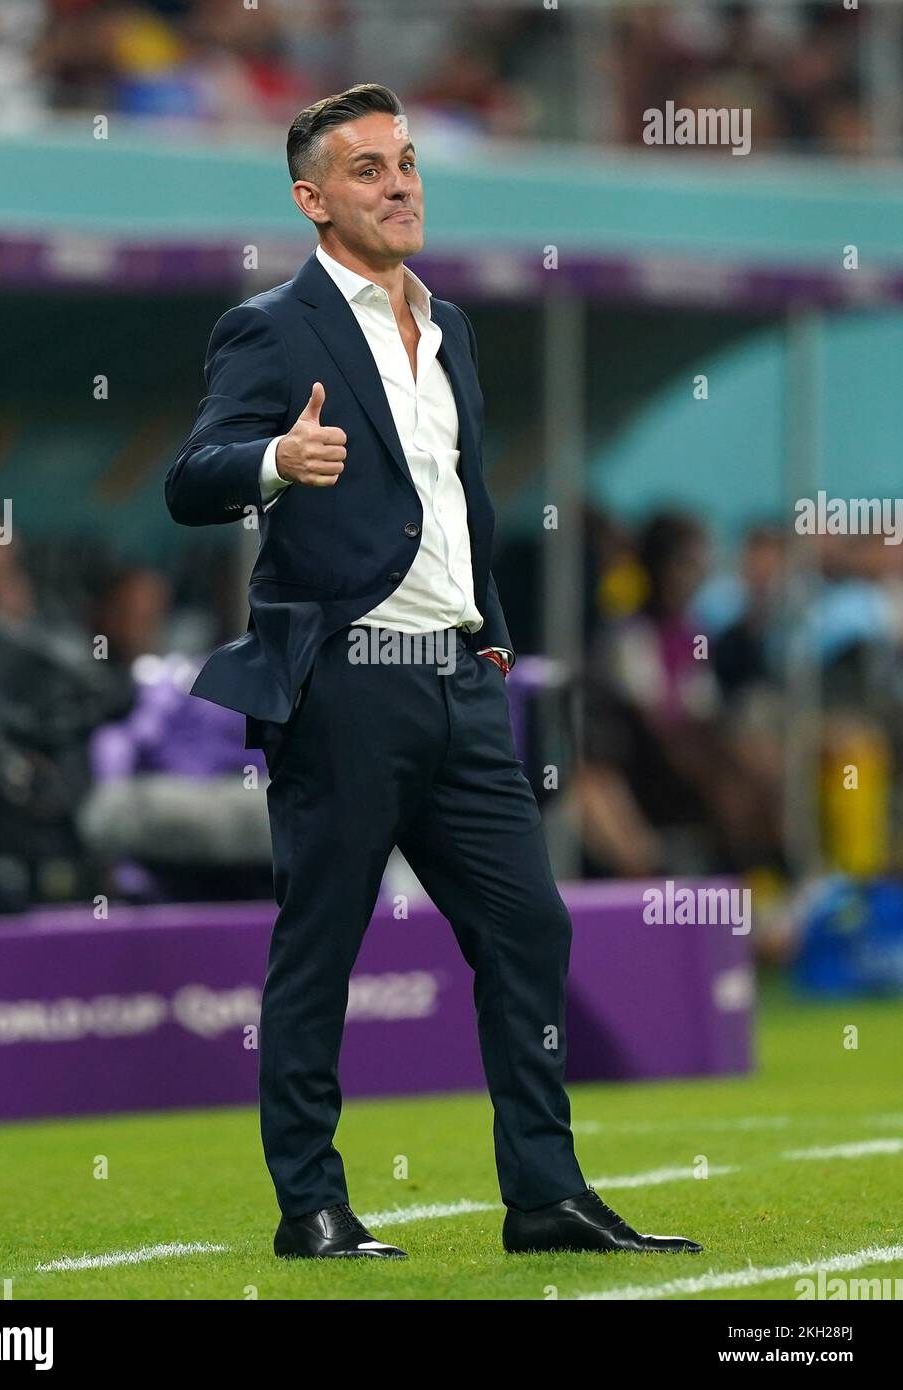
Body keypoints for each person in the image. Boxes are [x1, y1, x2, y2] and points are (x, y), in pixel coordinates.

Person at [166, 83, 701, 1261]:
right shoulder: (271, 326)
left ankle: (544, 1195)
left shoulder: (449, 324)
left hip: (460, 689)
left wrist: (492, 625)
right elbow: (189, 476)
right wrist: (271, 457)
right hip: (344, 689)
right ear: (311, 200)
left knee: (530, 931)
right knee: (321, 950)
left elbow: (463, 496)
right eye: (367, 169)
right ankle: (310, 1205)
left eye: (406, 161)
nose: (400, 182)